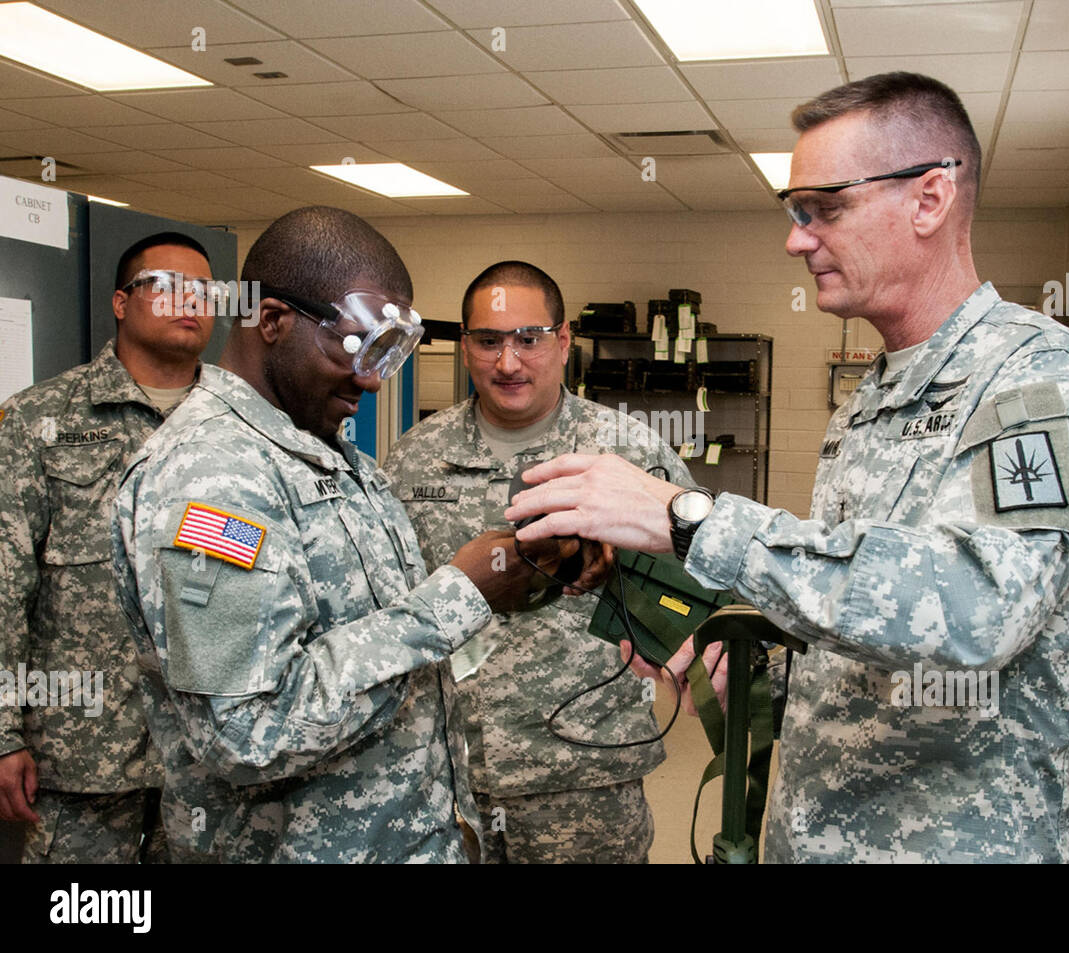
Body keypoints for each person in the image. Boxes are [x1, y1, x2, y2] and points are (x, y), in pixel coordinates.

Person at [506, 73, 1069, 863]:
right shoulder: (870, 400)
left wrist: (690, 518)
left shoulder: (1040, 381)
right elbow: (867, 599)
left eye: (826, 207)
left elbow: (976, 607)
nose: (796, 238)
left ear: (930, 199)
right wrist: (763, 662)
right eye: (794, 211)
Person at [112, 207, 578, 863]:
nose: (370, 379)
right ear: (273, 321)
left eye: (389, 353)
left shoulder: (328, 456)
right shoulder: (213, 477)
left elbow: (384, 647)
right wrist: (457, 595)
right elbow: (247, 730)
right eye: (357, 347)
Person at [384, 261, 692, 863]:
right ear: (465, 345)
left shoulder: (627, 451)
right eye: (489, 340)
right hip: (451, 772)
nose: (508, 362)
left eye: (529, 338)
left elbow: (688, 580)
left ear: (565, 340)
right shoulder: (416, 458)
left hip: (584, 774)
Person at [0, 232, 218, 862]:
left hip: (212, 750)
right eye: (168, 287)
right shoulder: (40, 419)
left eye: (206, 291)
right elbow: (5, 584)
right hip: (82, 750)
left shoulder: (239, 422)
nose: (191, 302)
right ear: (122, 303)